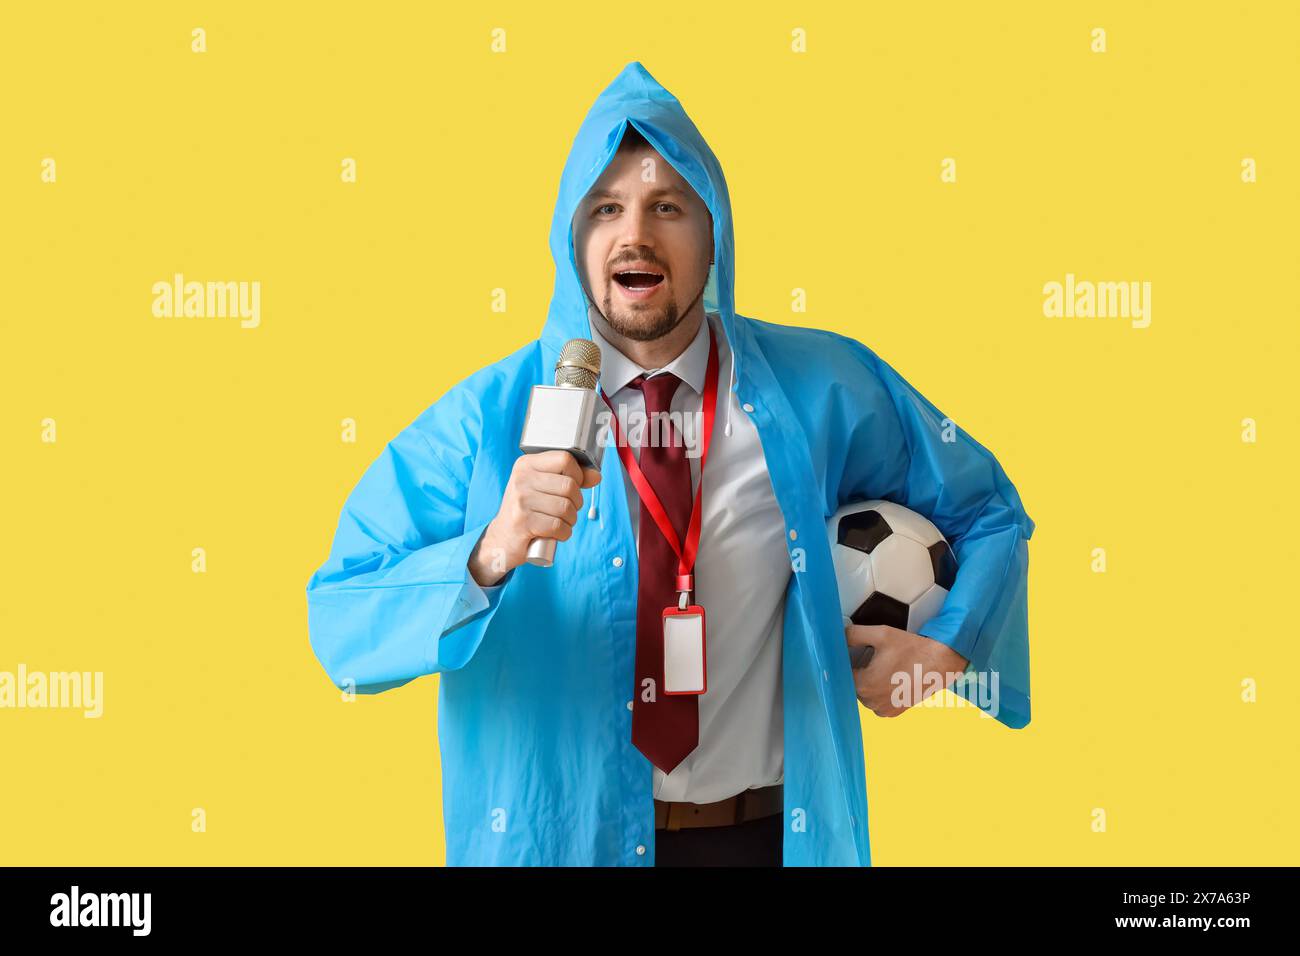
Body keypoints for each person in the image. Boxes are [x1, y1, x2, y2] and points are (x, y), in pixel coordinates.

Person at [305, 61, 1035, 867]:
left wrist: (949, 647)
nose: (636, 235)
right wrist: (488, 553)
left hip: (768, 837)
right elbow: (341, 614)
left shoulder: (823, 387)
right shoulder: (485, 419)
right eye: (606, 208)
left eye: (668, 206)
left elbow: (989, 510)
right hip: (561, 847)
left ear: (714, 231)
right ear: (572, 239)